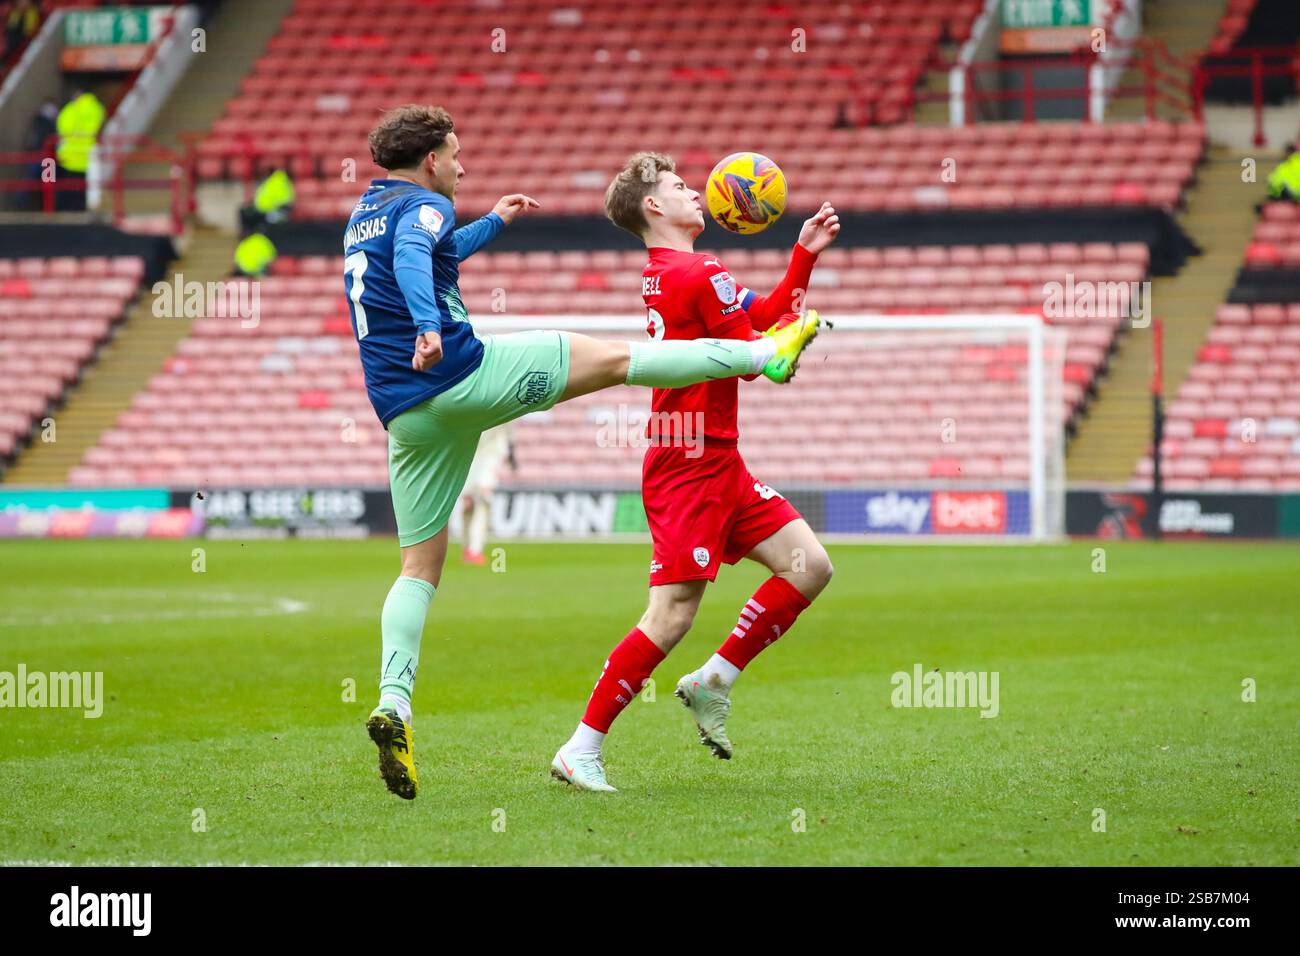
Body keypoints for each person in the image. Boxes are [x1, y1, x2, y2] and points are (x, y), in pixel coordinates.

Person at [345, 105, 824, 799]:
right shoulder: (421, 206)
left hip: (403, 412)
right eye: (454, 155)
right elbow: (420, 253)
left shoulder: (365, 214)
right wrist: (428, 327)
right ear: (429, 163)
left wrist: (495, 224)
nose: (461, 166)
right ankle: (584, 747)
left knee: (418, 567)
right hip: (459, 372)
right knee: (616, 358)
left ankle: (395, 699)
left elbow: (426, 251)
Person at [549, 153, 839, 791]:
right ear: (653, 206)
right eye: (681, 187)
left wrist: (804, 257)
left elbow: (751, 324)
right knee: (672, 614)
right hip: (689, 465)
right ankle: (581, 748)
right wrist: (790, 341)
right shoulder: (697, 269)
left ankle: (713, 680)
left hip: (718, 459)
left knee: (809, 566)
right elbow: (747, 354)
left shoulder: (668, 271)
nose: (695, 192)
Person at [458, 422, 513, 565]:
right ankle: (467, 546)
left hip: (491, 454)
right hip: (469, 452)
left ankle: (476, 550)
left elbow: (509, 427)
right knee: (467, 503)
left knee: (484, 498)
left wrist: (510, 452)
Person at [54, 88, 105, 212]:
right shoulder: (97, 108)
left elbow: (61, 129)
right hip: (87, 157)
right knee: (83, 189)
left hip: (68, 156)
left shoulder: (69, 109)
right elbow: (98, 128)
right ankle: (80, 210)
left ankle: (62, 210)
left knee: (65, 187)